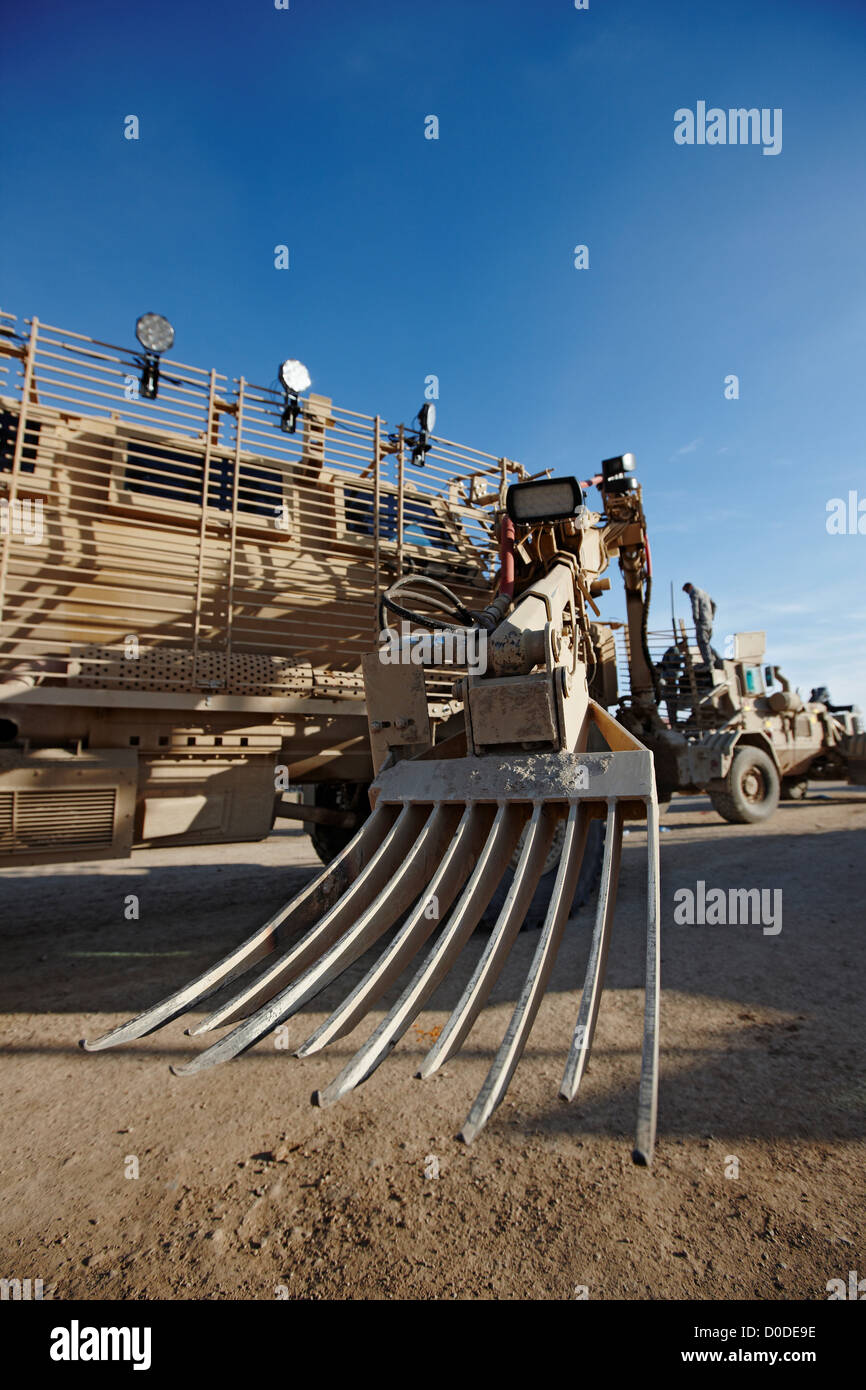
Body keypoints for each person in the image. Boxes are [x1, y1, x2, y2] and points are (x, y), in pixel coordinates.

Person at [682, 582, 720, 669]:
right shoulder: (704, 592)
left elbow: (694, 606)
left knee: (702, 643)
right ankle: (717, 660)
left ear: (689, 587)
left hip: (702, 622)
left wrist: (696, 619)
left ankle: (709, 664)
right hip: (709, 623)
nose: (687, 593)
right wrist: (711, 617)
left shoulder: (694, 592)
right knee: (707, 643)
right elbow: (714, 605)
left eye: (686, 591)